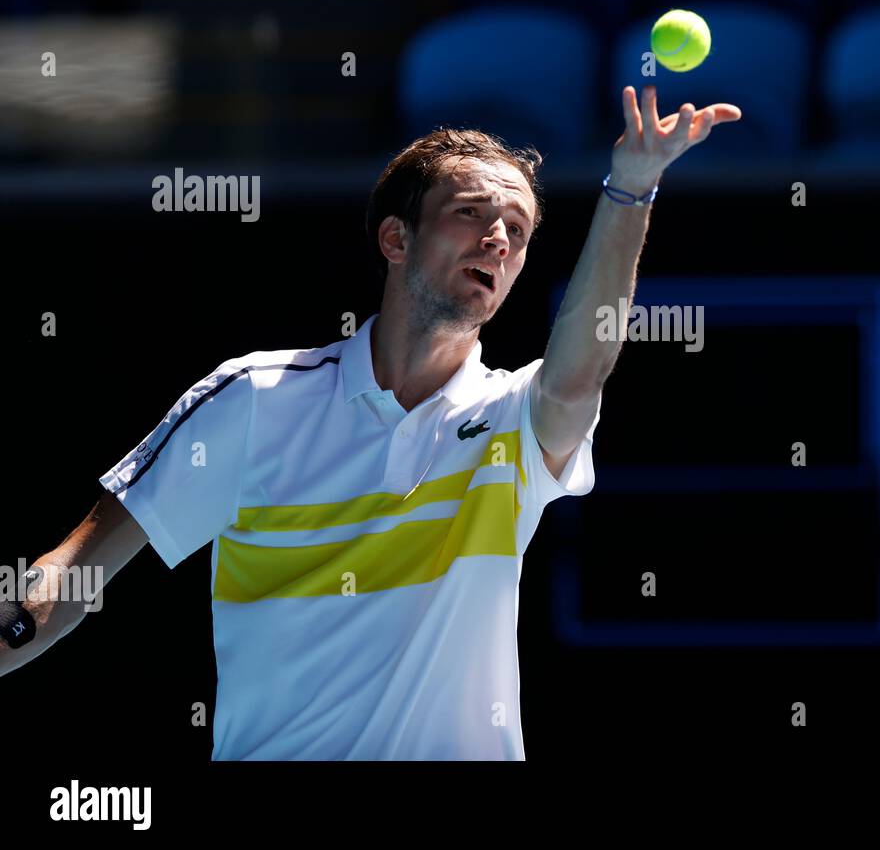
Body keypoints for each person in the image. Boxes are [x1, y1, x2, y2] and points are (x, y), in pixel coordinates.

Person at [1, 85, 742, 760]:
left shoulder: (515, 418)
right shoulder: (255, 398)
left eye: (516, 230)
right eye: (471, 214)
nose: (498, 240)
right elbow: (72, 575)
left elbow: (580, 376)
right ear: (396, 240)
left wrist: (631, 190)